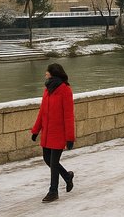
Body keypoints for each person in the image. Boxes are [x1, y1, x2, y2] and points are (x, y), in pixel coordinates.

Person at [31, 63, 76, 202]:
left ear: (53, 73)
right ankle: (67, 177)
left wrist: (70, 137)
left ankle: (53, 191)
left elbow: (69, 115)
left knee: (54, 162)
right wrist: (36, 130)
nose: (45, 74)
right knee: (47, 159)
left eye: (47, 72)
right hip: (47, 132)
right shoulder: (47, 89)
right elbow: (42, 112)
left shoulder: (65, 90)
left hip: (59, 133)